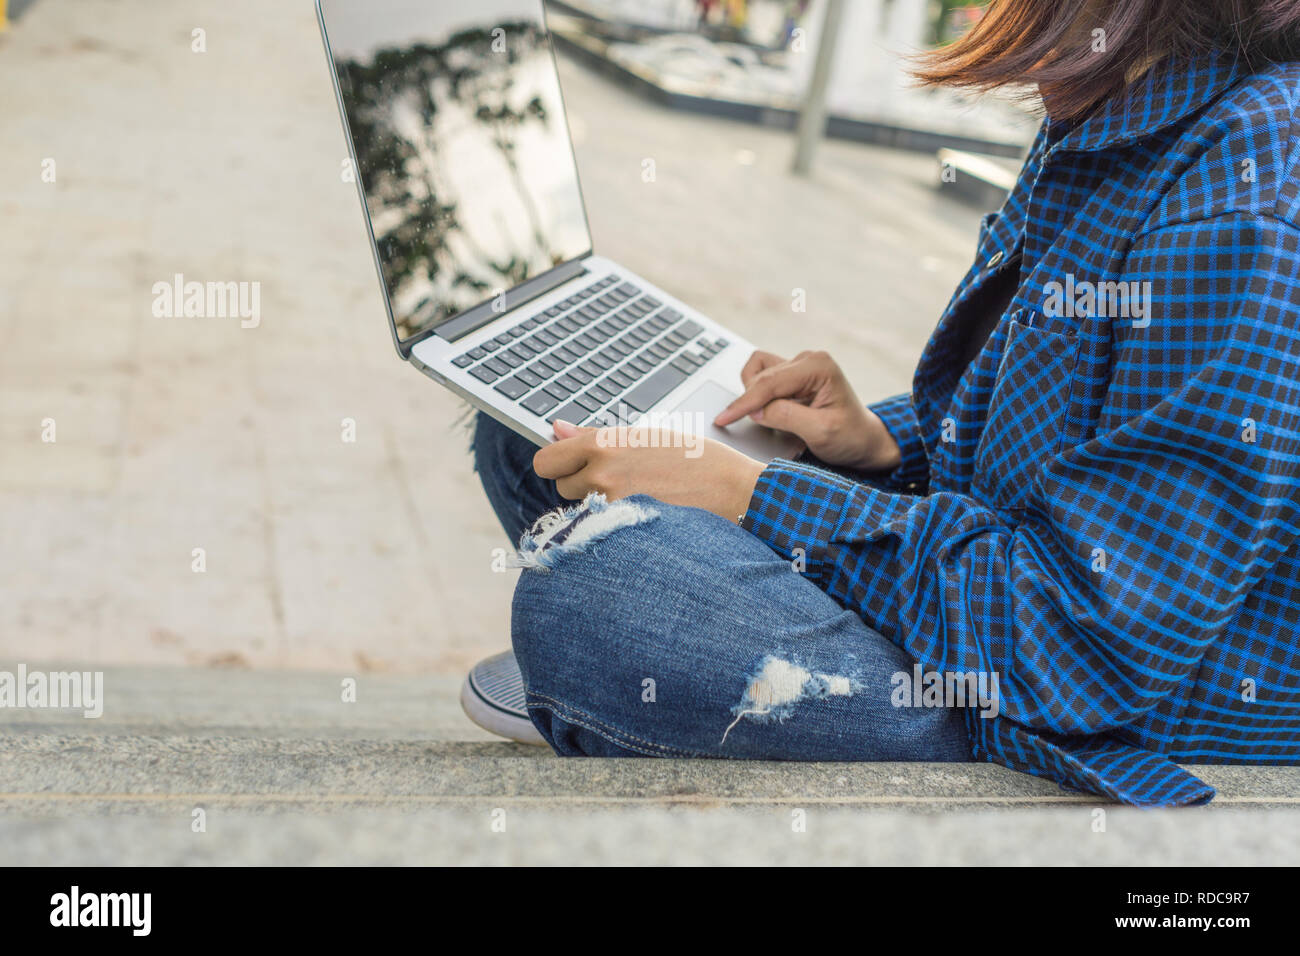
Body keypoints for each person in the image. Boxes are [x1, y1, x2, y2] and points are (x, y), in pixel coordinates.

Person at [461, 0, 1300, 806]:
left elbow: (1087, 647)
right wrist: (877, 447)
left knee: (601, 589)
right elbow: (1050, 434)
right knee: (533, 429)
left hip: (1075, 709)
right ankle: (653, 676)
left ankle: (639, 673)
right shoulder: (1119, 88)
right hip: (1000, 605)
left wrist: (747, 492)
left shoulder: (1250, 179)